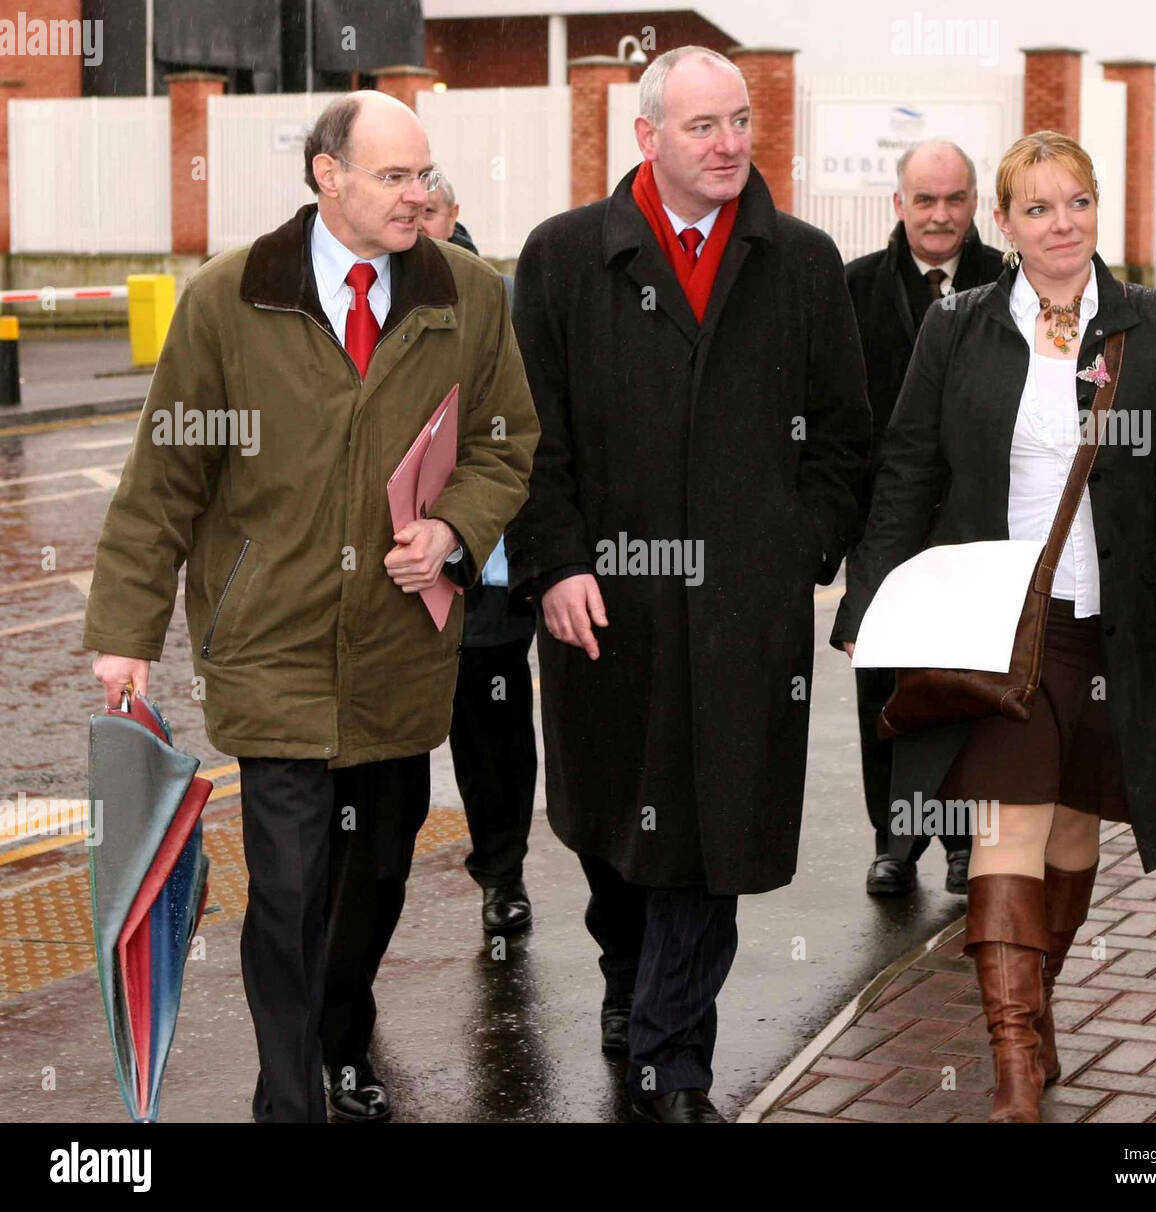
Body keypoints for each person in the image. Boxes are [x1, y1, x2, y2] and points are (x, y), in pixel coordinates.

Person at [82, 91, 538, 1123]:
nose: (418, 196)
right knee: (285, 886)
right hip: (269, 641)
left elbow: (508, 437)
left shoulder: (467, 293)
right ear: (327, 177)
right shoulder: (227, 298)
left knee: (377, 867)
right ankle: (288, 1100)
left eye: (424, 175)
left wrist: (456, 529)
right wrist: (124, 636)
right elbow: (165, 479)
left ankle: (339, 1036)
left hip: (398, 644)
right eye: (394, 177)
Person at [837, 129, 1156, 1123]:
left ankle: (1037, 1008)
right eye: (1037, 208)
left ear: (1096, 211)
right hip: (998, 626)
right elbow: (909, 468)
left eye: (1076, 203)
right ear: (1004, 225)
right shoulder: (961, 327)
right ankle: (1014, 1070)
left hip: (1109, 629)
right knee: (1007, 826)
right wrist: (867, 598)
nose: (1060, 224)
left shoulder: (1151, 326)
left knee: (1069, 833)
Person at [506, 45, 871, 1124]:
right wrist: (558, 563)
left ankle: (676, 1065)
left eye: (739, 122)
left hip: (741, 620)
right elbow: (527, 437)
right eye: (703, 126)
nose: (727, 145)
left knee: (708, 838)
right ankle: (630, 978)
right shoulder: (565, 257)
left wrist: (785, 555)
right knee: (615, 833)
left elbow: (844, 442)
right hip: (603, 610)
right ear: (647, 137)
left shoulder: (800, 263)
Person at [830, 139, 1004, 898]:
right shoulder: (853, 289)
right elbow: (831, 415)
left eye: (954, 199)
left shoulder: (1010, 280)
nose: (940, 216)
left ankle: (966, 844)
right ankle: (895, 841)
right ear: (897, 204)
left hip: (982, 531)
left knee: (971, 689)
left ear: (974, 204)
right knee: (888, 693)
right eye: (924, 200)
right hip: (888, 529)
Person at [417, 183, 538, 935]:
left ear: (453, 216)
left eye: (429, 208)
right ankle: (361, 899)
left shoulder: (500, 299)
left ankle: (502, 873)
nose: (415, 221)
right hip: (383, 568)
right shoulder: (360, 298)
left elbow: (526, 427)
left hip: (483, 570)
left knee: (491, 729)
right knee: (381, 744)